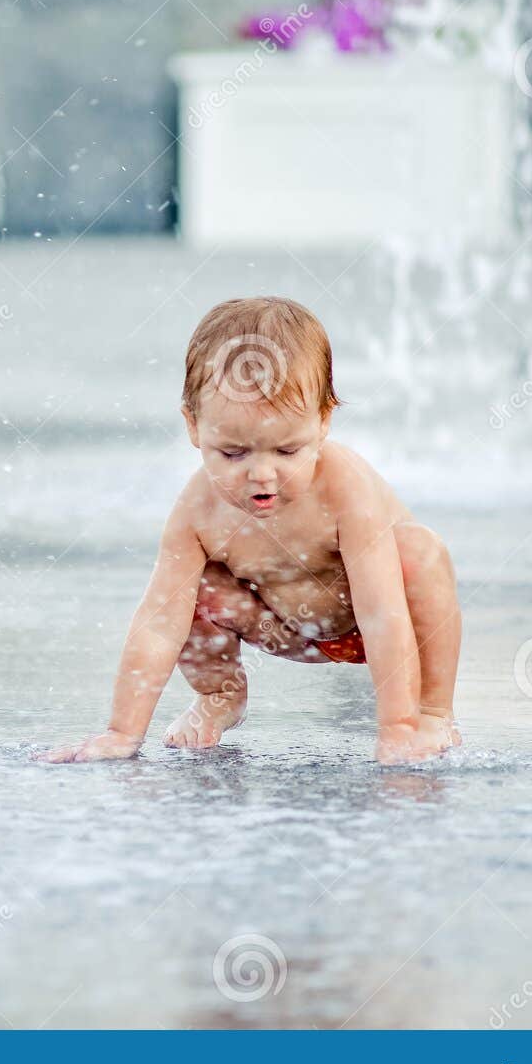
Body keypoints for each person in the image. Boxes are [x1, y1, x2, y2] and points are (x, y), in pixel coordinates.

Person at [42, 296, 462, 766]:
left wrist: (397, 728)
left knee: (420, 551)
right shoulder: (197, 512)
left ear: (323, 421)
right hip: (284, 628)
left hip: (378, 628)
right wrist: (121, 733)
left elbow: (384, 614)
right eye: (234, 454)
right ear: (193, 426)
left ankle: (432, 713)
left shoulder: (344, 487)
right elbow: (159, 627)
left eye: (286, 452)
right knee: (188, 591)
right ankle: (220, 694)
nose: (261, 474)